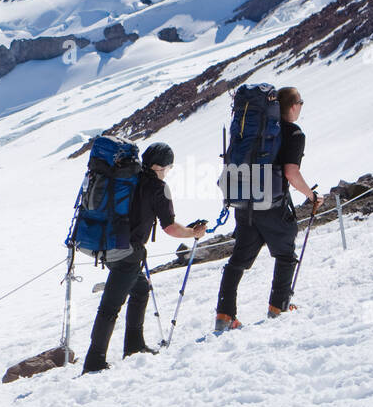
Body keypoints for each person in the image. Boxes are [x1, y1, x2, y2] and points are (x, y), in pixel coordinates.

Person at [82, 143, 207, 373]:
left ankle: (134, 345)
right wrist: (193, 233)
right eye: (168, 166)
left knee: (140, 289)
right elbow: (169, 227)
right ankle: (94, 362)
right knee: (109, 308)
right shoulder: (158, 188)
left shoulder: (128, 177)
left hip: (110, 247)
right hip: (129, 254)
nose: (168, 170)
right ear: (159, 166)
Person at [215, 87, 320, 331]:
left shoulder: (253, 132)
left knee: (238, 260)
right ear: (293, 106)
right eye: (300, 102)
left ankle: (224, 315)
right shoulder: (293, 133)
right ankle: (278, 308)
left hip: (244, 203)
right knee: (285, 256)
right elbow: (291, 172)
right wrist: (312, 195)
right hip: (272, 205)